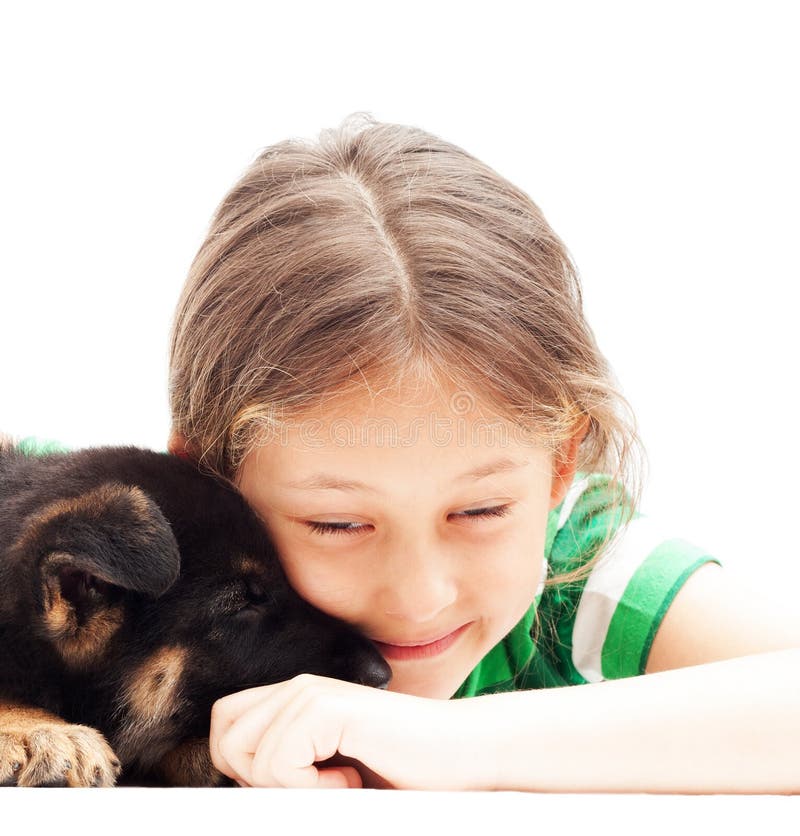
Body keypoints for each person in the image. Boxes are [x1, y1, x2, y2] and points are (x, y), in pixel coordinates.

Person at [17, 114, 800, 793]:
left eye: (482, 509)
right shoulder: (94, 530)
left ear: (561, 467)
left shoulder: (577, 583)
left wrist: (470, 745)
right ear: (209, 480)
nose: (419, 596)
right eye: (338, 523)